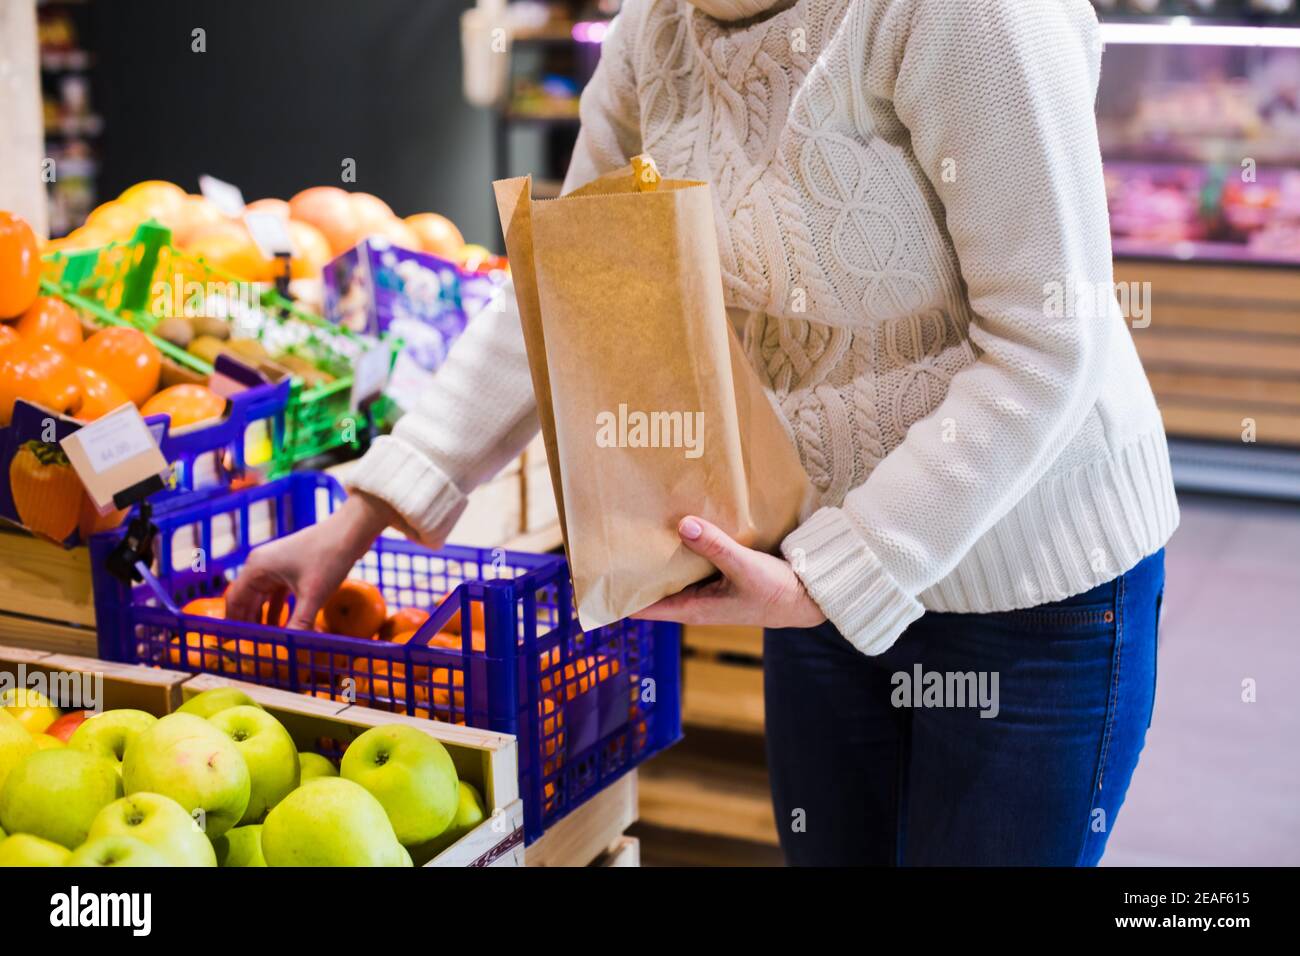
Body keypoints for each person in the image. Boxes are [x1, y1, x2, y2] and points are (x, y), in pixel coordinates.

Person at [227, 0, 1178, 866]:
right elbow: (574, 283)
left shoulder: (969, 19)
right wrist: (373, 503)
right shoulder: (658, 27)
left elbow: (1049, 341)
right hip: (811, 563)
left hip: (1036, 586)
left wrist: (836, 571)